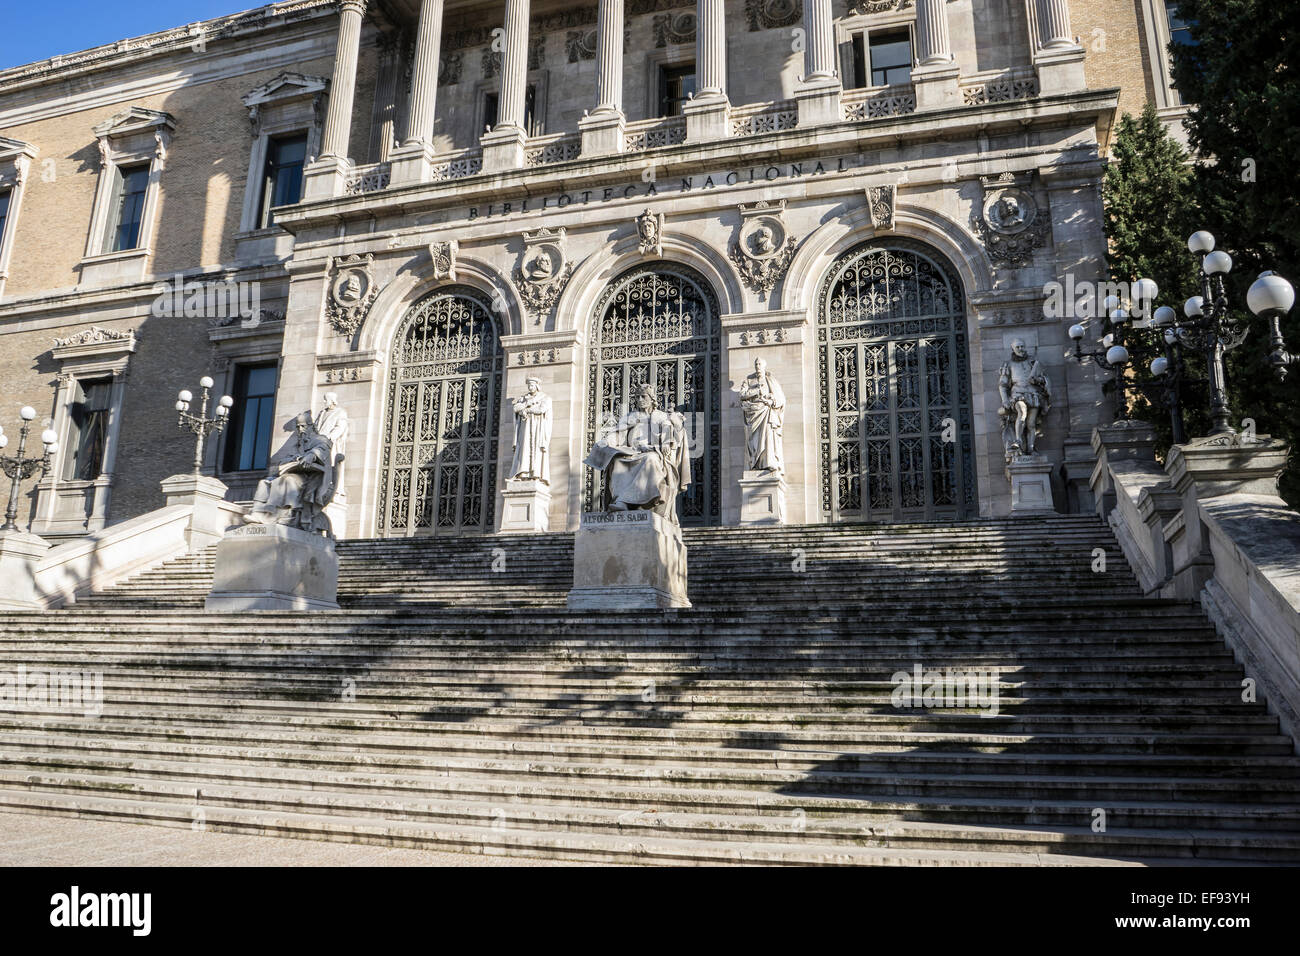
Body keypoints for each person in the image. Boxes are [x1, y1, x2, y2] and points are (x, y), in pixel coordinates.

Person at [584, 384, 690, 522]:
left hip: (654, 453)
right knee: (617, 462)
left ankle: (626, 501)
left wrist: (664, 443)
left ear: (652, 399)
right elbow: (617, 434)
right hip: (631, 453)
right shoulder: (631, 416)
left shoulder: (661, 416)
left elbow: (668, 430)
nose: (639, 400)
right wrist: (606, 442)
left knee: (650, 459)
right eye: (637, 397)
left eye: (643, 396)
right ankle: (622, 502)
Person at [739, 358, 785, 474]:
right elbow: (742, 395)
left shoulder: (770, 380)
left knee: (768, 436)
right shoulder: (749, 381)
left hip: (767, 413)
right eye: (756, 364)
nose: (757, 366)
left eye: (759, 364)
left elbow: (780, 398)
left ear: (764, 366)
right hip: (753, 415)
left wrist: (772, 401)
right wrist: (756, 390)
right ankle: (755, 464)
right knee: (754, 441)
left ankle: (769, 462)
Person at [510, 377, 552, 484]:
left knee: (536, 451)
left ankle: (536, 474)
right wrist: (523, 409)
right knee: (524, 449)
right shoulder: (523, 399)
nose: (530, 387)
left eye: (532, 385)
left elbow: (541, 409)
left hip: (537, 428)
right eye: (529, 385)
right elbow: (516, 408)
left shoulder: (545, 398)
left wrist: (527, 410)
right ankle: (523, 473)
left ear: (537, 386)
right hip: (526, 427)